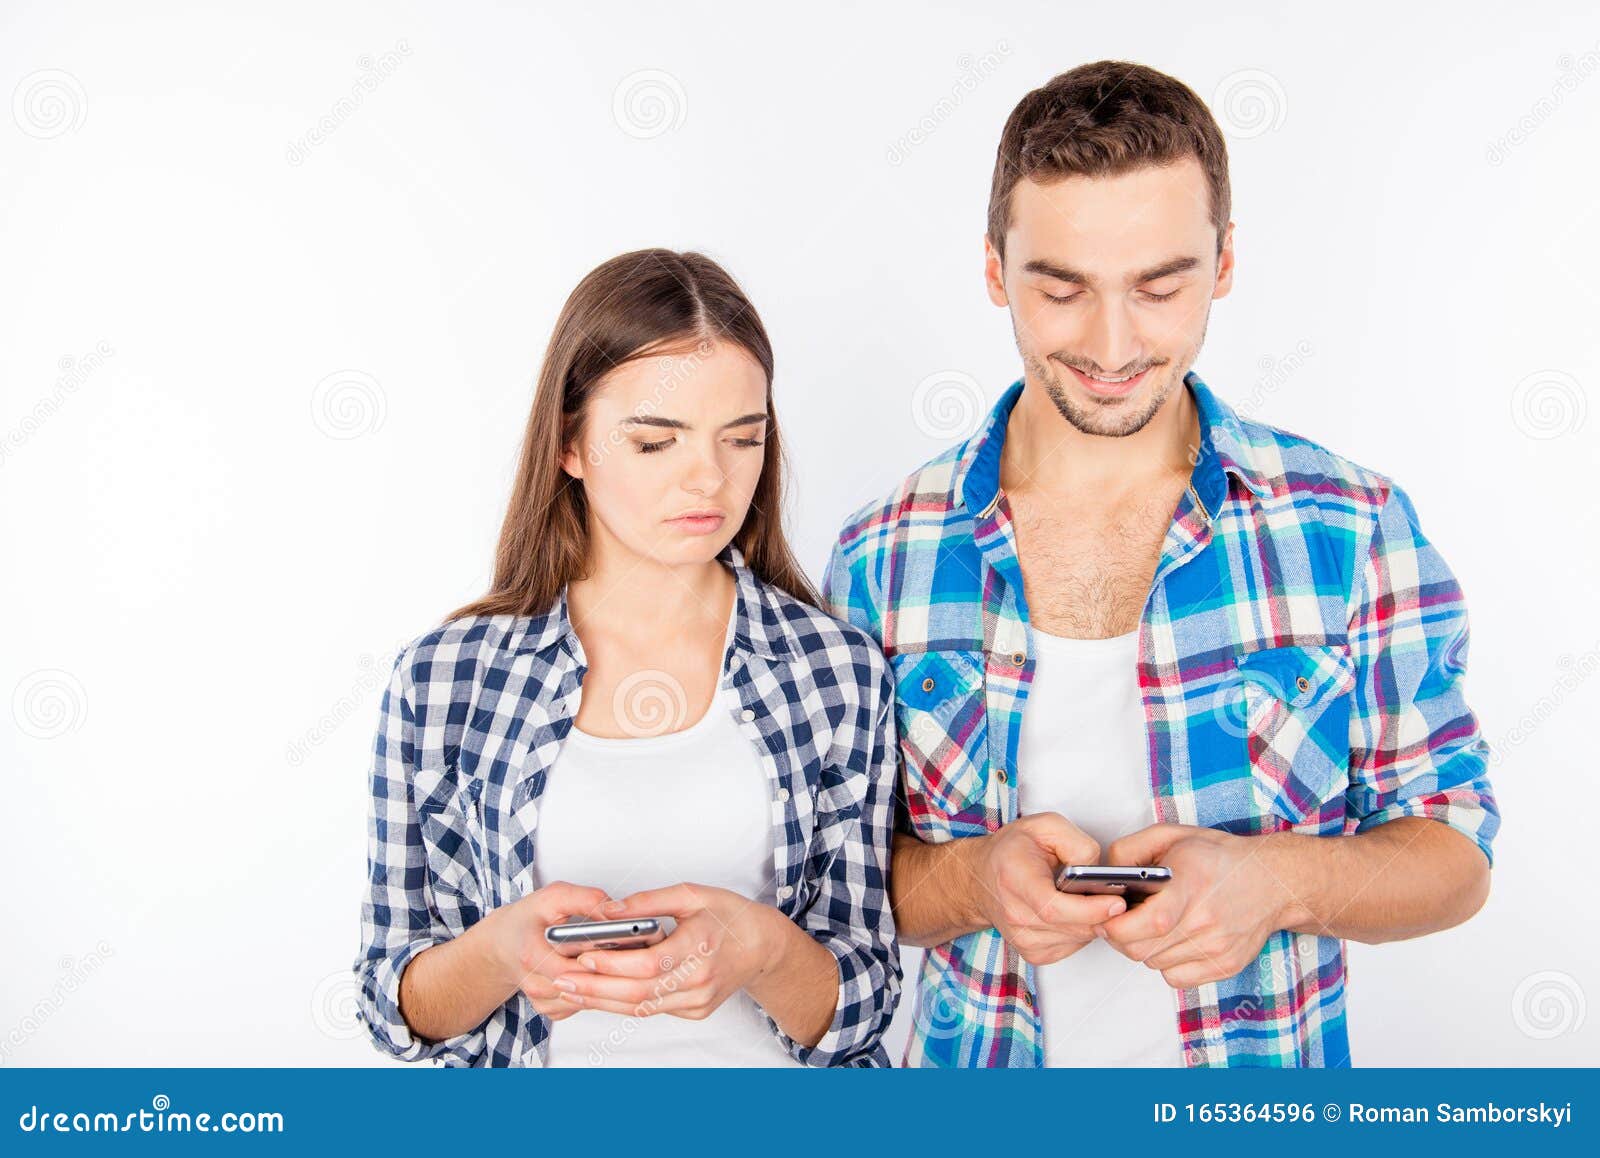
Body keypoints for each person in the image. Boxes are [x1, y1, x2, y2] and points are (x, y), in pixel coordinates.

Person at [822, 60, 1499, 1067]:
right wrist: (973, 885)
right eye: (1060, 288)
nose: (1110, 343)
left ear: (1222, 263)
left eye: (1159, 285)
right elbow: (844, 889)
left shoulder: (1350, 526)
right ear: (994, 270)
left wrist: (1276, 883)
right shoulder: (885, 553)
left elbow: (1452, 852)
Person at [354, 248, 900, 1067]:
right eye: (654, 443)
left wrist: (759, 950)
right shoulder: (444, 681)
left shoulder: (838, 672)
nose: (708, 480)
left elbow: (865, 1007)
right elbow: (393, 1009)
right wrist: (503, 952)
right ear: (570, 446)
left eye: (742, 439)